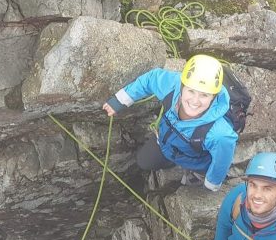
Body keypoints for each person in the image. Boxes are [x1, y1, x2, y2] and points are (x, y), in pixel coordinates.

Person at [102, 55, 238, 192]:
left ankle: (197, 172)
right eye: (191, 91)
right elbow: (151, 79)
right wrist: (120, 100)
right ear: (182, 86)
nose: (195, 101)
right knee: (143, 161)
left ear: (214, 96)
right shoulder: (172, 87)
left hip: (197, 160)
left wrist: (211, 183)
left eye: (204, 95)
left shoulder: (220, 134)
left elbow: (221, 161)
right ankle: (173, 161)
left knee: (204, 172)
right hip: (166, 143)